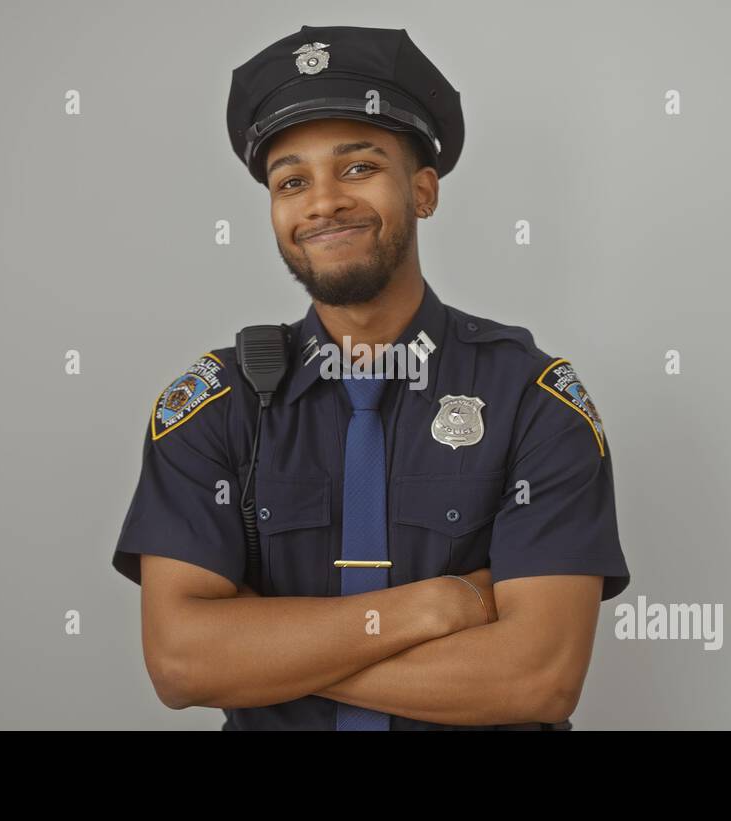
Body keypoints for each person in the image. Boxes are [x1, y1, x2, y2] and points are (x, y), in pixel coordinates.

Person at [112, 24, 630, 730]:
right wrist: (432, 606)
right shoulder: (216, 407)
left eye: (358, 168)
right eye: (292, 181)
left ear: (422, 191)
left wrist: (271, 656)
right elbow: (180, 663)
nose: (323, 202)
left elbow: (535, 677)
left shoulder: (532, 400)